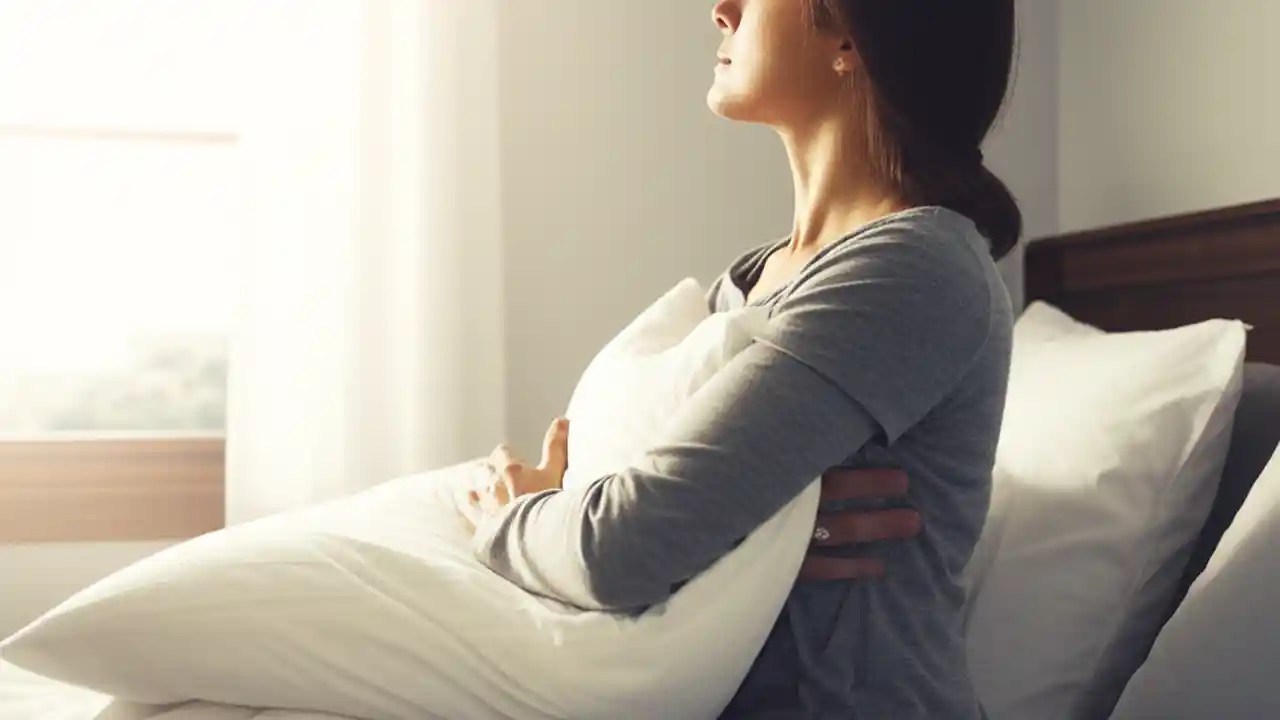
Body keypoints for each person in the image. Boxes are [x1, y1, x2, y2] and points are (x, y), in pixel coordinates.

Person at [456, 0, 1019, 716]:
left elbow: (621, 547)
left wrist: (515, 513)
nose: (722, 10)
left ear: (852, 37)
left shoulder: (915, 268)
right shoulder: (750, 282)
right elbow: (645, 508)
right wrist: (753, 538)